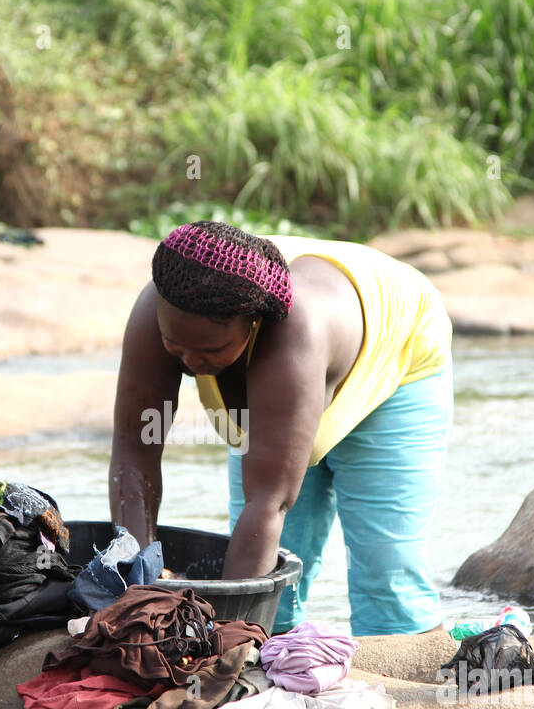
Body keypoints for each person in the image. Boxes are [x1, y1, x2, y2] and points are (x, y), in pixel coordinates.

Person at [108, 221, 453, 636]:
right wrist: (139, 586)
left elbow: (268, 500)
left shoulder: (294, 336)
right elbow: (134, 455)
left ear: (253, 322)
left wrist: (222, 638)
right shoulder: (162, 309)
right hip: (285, 389)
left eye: (212, 350)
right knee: (279, 596)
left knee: (388, 579)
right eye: (176, 348)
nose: (190, 363)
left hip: (396, 360)